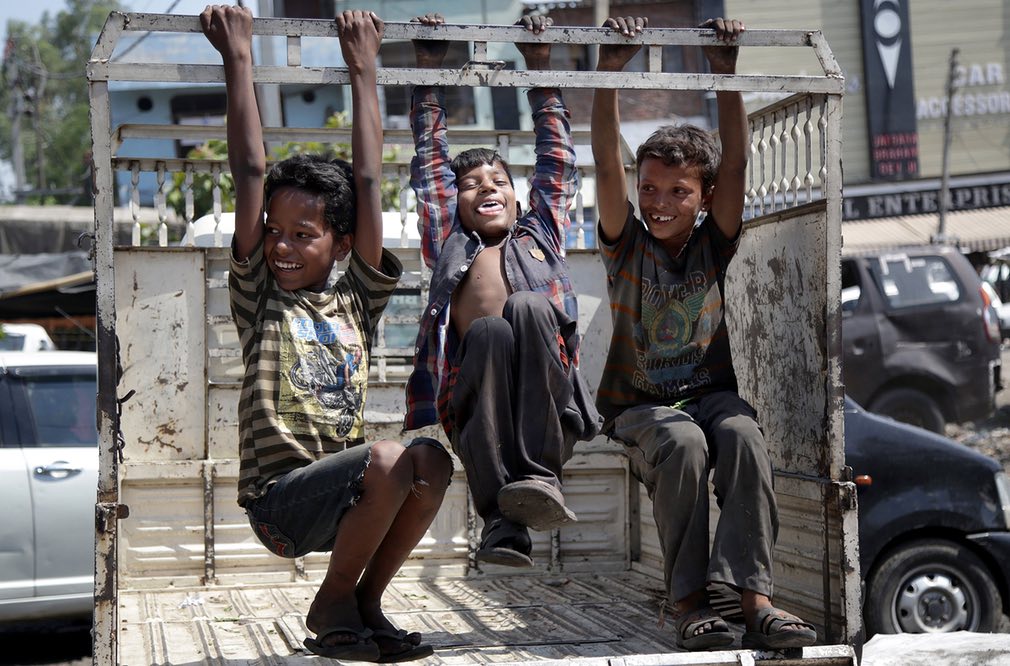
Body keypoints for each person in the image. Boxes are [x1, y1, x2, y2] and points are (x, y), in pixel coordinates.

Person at [201, 5, 452, 662]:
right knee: (392, 456)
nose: (281, 246)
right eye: (274, 233)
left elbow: (369, 183)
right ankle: (331, 602)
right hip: (280, 502)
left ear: (340, 244)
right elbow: (251, 173)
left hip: (341, 498)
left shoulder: (355, 302)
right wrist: (239, 57)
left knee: (431, 462)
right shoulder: (257, 297)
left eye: (302, 235)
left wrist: (364, 69)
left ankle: (363, 600)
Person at [590, 16, 818, 652]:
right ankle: (689, 601)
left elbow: (738, 158)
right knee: (685, 443)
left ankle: (756, 600)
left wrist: (725, 74)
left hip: (711, 393)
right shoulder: (625, 245)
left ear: (706, 195)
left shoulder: (713, 245)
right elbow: (605, 160)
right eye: (650, 188)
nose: (659, 202)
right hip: (640, 408)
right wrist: (608, 74)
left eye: (678, 191)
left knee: (741, 433)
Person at [404, 12, 601, 569]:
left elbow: (557, 159)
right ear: (456, 201)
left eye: (498, 181)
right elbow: (429, 161)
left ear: (518, 198)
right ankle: (500, 523)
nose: (485, 188)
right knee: (489, 330)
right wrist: (429, 67)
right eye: (470, 185)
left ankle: (541, 478)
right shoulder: (448, 238)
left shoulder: (541, 231)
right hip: (479, 403)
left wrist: (539, 66)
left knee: (529, 305)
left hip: (549, 399)